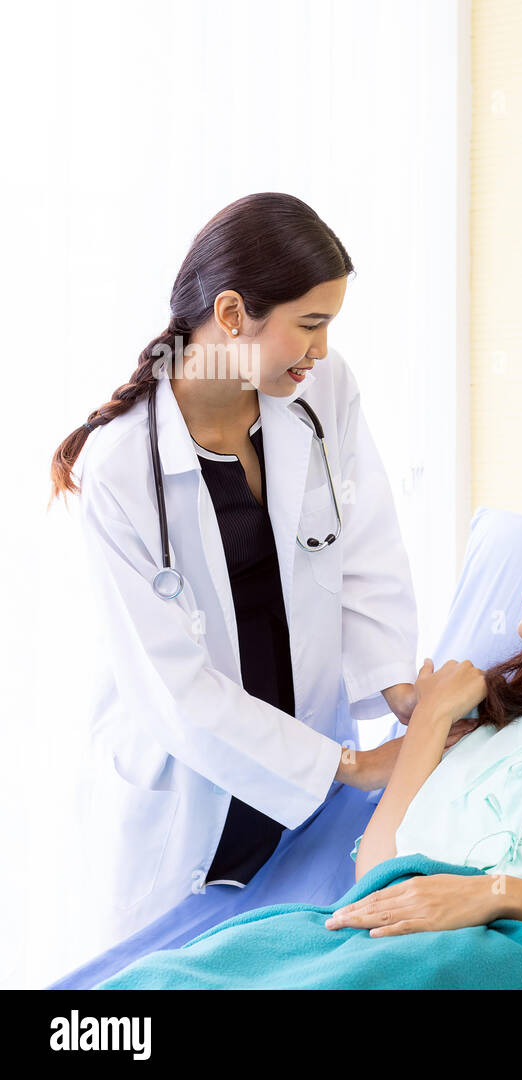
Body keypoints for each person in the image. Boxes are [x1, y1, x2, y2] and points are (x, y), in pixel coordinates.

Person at [96, 497, 522, 988]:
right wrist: (431, 721)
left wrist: (497, 894)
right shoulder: (485, 726)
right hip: (381, 937)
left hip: (513, 958)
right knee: (171, 978)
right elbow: (377, 878)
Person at [48, 192, 467, 950]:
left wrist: (401, 692)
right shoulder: (121, 472)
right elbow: (174, 692)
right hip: (189, 798)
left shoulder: (318, 393)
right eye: (309, 325)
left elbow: (365, 544)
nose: (323, 350)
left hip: (305, 776)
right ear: (233, 313)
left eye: (331, 324)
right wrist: (351, 765)